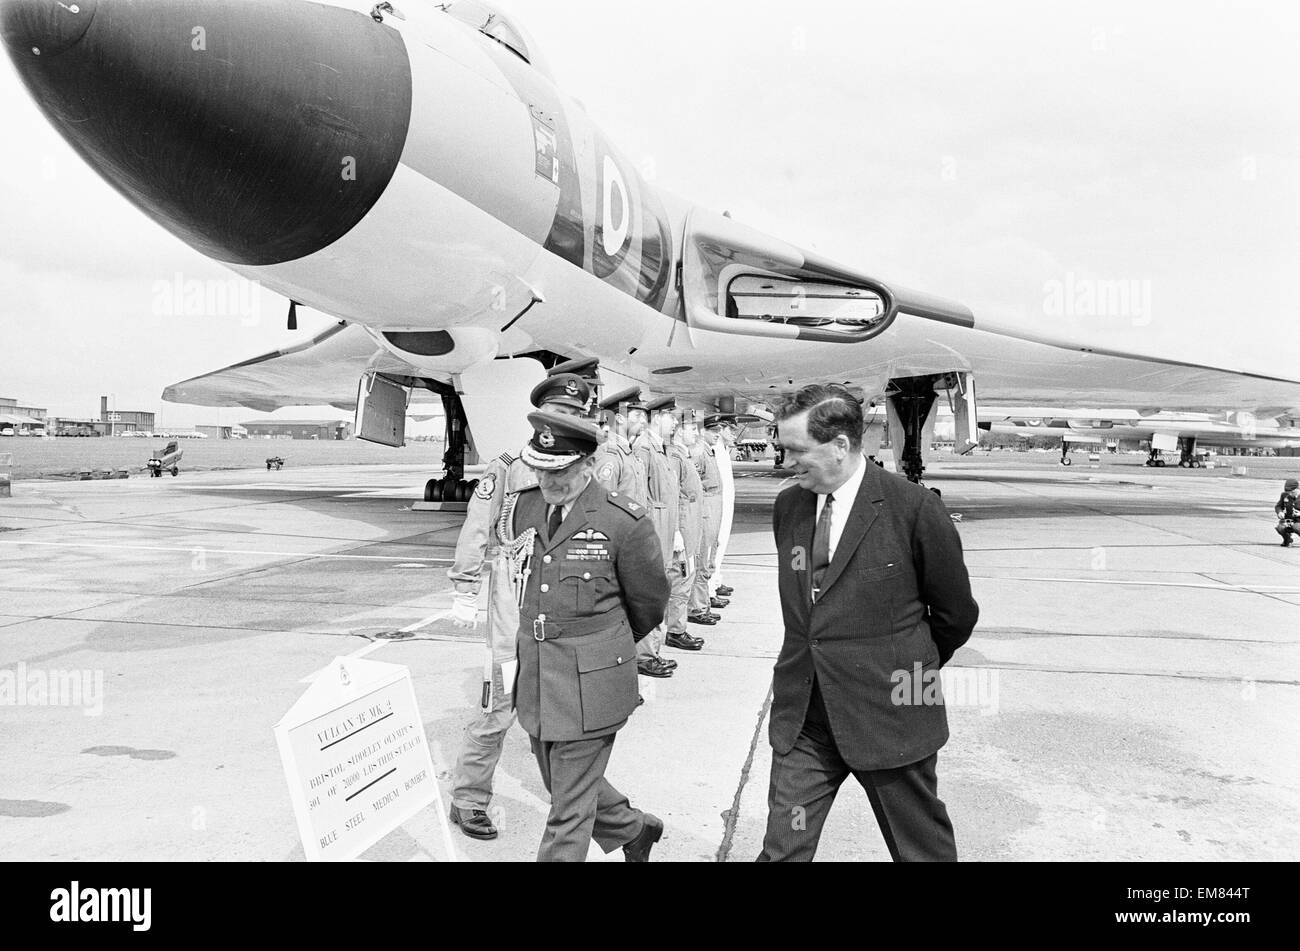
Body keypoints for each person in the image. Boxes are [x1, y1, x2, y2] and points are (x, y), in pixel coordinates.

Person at [758, 384, 978, 862]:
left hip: (890, 713)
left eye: (797, 450)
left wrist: (903, 665)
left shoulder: (913, 509)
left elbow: (955, 614)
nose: (788, 462)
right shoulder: (789, 506)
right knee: (782, 849)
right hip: (806, 716)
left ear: (840, 445)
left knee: (920, 849)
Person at [512, 410, 670, 862]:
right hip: (538, 675)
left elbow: (649, 605)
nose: (549, 480)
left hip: (591, 679)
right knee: (558, 781)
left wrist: (602, 644)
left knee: (567, 810)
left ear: (588, 465)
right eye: (540, 468)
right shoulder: (524, 506)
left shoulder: (623, 521)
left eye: (560, 470)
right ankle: (633, 828)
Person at [444, 369, 594, 841]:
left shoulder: (588, 461)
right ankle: (468, 798)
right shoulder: (509, 465)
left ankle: (570, 800)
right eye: (558, 410)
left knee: (563, 708)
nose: (565, 417)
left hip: (563, 606)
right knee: (500, 705)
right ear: (540, 413)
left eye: (574, 412)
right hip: (514, 599)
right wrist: (465, 585)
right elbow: (477, 524)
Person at [630, 394, 683, 677]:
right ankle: (645, 655)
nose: (675, 422)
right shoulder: (644, 448)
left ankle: (653, 651)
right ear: (657, 417)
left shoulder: (659, 448)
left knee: (661, 587)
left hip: (665, 526)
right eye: (670, 417)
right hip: (654, 527)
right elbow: (642, 496)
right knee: (651, 590)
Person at [648, 396, 705, 653]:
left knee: (685, 577)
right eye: (690, 427)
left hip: (690, 525)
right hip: (680, 526)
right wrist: (678, 531)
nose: (695, 432)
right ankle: (675, 630)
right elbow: (676, 497)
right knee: (679, 579)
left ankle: (677, 627)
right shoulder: (670, 456)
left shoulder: (680, 455)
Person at [686, 415, 727, 625]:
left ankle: (703, 604)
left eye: (719, 430)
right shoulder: (699, 452)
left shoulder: (708, 451)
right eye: (713, 430)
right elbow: (691, 481)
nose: (717, 434)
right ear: (703, 431)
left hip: (714, 504)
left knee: (709, 556)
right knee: (702, 558)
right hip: (706, 506)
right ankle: (697, 608)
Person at [593, 386, 648, 506]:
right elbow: (602, 505)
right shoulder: (610, 453)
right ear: (619, 418)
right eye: (638, 415)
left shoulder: (626, 450)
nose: (643, 421)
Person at [709, 415, 738, 606]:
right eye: (731, 430)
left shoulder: (724, 450)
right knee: (715, 545)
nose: (734, 434)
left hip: (727, 503)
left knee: (722, 544)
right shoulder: (715, 450)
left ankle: (716, 580)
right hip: (718, 504)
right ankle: (709, 590)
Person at [1275, 478, 1299, 547]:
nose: (1290, 494)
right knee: (1280, 527)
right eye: (1288, 492)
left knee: (1297, 527)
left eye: (1292, 492)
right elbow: (1278, 506)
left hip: (1299, 522)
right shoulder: (1284, 495)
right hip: (1288, 521)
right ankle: (1288, 540)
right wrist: (1279, 512)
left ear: (1297, 489)